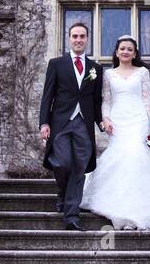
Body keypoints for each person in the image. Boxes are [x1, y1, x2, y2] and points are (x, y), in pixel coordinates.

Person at [80, 35, 150, 230]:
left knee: (136, 155)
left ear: (134, 53)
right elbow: (106, 100)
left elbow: (147, 101)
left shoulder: (142, 73)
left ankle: (139, 209)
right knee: (120, 157)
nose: (125, 51)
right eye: (122, 48)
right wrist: (105, 119)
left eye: (129, 49)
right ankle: (120, 206)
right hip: (117, 120)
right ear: (116, 52)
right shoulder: (108, 74)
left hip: (138, 119)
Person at [38, 21, 105, 230]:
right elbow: (47, 96)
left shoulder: (96, 69)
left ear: (87, 39)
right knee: (62, 163)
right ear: (69, 39)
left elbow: (96, 100)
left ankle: (72, 216)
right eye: (75, 36)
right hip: (60, 123)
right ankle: (63, 193)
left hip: (83, 125)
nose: (78, 40)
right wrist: (44, 123)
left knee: (79, 168)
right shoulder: (56, 64)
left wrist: (100, 120)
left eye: (82, 36)